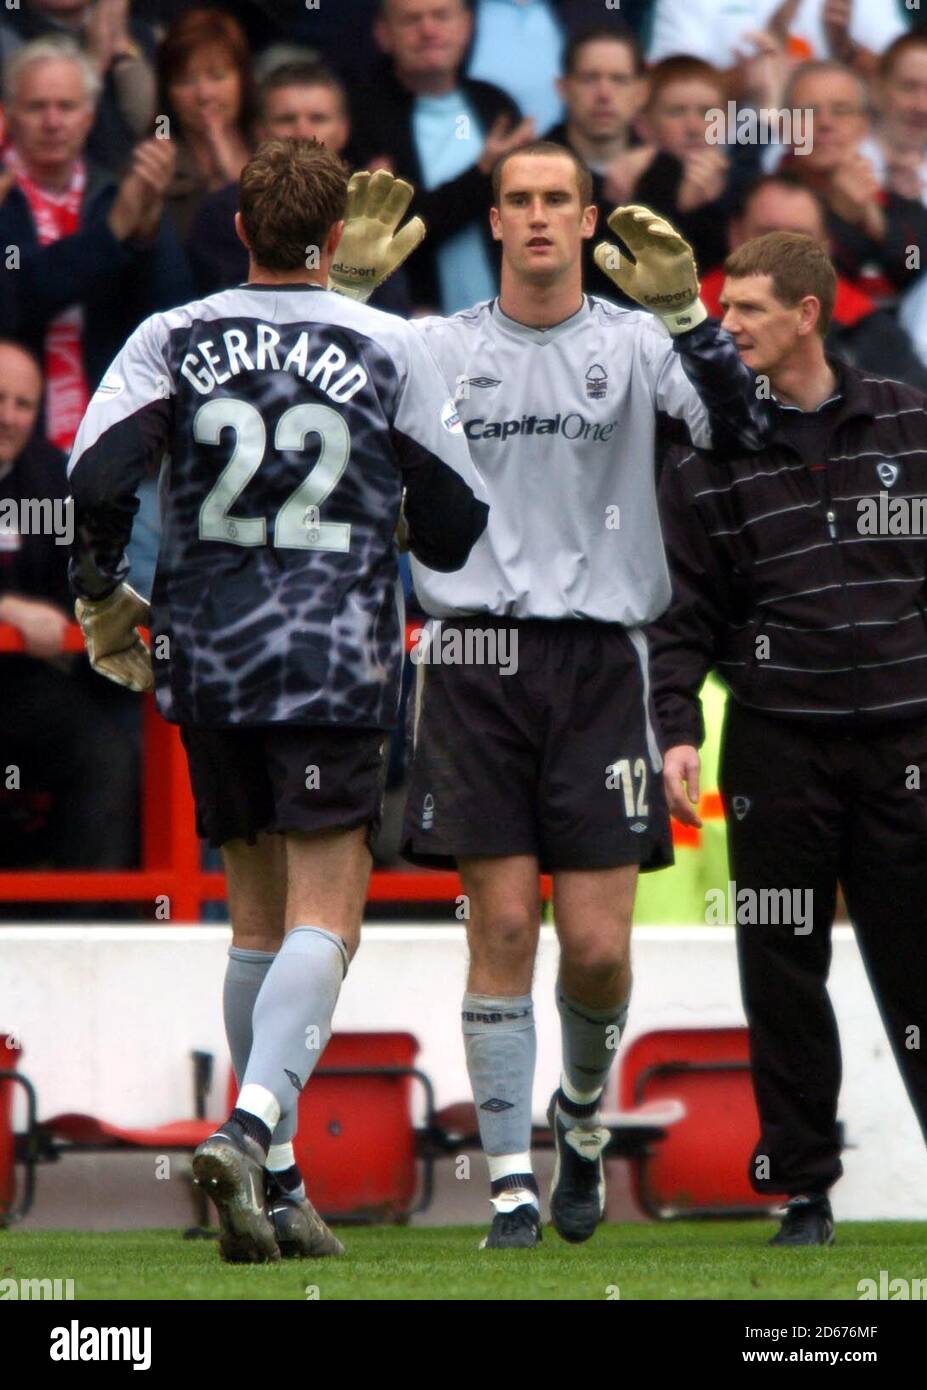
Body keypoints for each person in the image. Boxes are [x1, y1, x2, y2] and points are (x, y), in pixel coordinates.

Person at [329, 145, 774, 1249]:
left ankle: (579, 1116)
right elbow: (320, 413)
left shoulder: (631, 342)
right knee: (507, 923)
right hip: (473, 655)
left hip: (600, 662)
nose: (536, 218)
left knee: (597, 949)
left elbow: (742, 426)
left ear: (587, 223)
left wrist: (686, 314)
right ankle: (514, 1189)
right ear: (494, 220)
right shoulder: (435, 346)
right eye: (517, 201)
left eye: (555, 203)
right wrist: (344, 299)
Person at [67, 137, 488, 1262]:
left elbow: (97, 476)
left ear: (238, 229)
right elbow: (456, 520)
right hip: (336, 657)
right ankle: (253, 1129)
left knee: (252, 921)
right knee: (324, 919)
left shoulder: (173, 334)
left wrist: (103, 591)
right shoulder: (393, 342)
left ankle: (284, 1180)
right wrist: (387, 505)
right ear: (341, 238)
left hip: (208, 652)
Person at [650, 229, 927, 1246]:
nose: (726, 329)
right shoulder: (709, 450)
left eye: (747, 311)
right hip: (774, 751)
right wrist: (676, 732)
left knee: (920, 970)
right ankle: (805, 1192)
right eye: (722, 311)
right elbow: (679, 612)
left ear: (808, 315)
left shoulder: (912, 423)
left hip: (910, 746)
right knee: (780, 969)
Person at [0, 35, 192, 454]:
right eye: (37, 107)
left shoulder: (114, 193)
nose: (53, 122)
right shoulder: (5, 196)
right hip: (15, 452)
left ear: (88, 117)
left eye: (66, 107)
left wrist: (145, 235)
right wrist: (112, 234)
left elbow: (171, 317)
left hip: (111, 455)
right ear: (10, 115)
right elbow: (13, 301)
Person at [0, 339, 138, 881]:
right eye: (0, 399)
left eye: (24, 404)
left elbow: (81, 583)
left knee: (106, 754)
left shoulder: (50, 479)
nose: (9, 417)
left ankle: (81, 927)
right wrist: (7, 609)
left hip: (26, 683)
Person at [350, 0, 535, 313]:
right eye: (411, 20)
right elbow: (393, 231)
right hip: (413, 325)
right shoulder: (362, 117)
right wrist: (484, 173)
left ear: (467, 25)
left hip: (511, 322)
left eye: (442, 16)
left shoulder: (494, 104)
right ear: (383, 34)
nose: (429, 30)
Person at [186, 61, 411, 314]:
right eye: (286, 119)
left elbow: (392, 319)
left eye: (318, 118)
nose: (303, 131)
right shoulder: (222, 211)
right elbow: (223, 313)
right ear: (260, 131)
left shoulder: (369, 212)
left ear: (344, 130)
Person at [699, 174, 927, 391]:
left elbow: (912, 417)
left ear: (825, 248)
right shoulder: (691, 315)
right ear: (736, 236)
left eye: (800, 238)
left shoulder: (864, 326)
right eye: (767, 235)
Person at [544, 23, 648, 302]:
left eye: (618, 79)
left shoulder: (667, 170)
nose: (604, 94)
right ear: (563, 88)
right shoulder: (530, 169)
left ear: (641, 92)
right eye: (590, 78)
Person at [154, 7, 258, 243]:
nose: (204, 94)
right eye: (185, 81)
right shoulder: (155, 165)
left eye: (217, 76)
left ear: (242, 79)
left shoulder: (275, 152)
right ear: (167, 91)